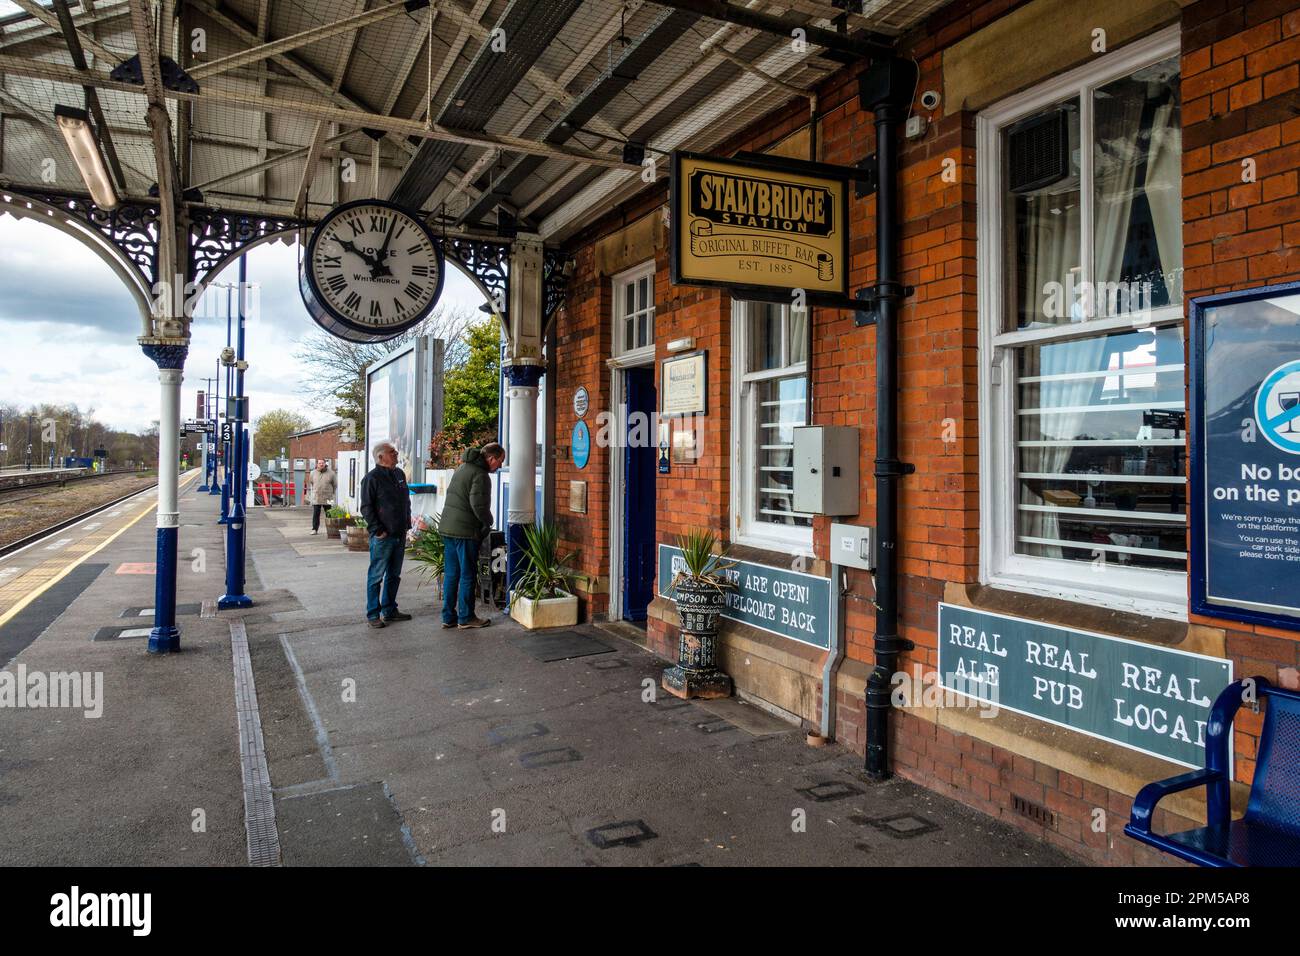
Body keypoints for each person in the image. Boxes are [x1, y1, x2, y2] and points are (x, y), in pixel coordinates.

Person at [438, 442, 504, 629]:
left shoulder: (462, 468)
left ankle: (448, 616)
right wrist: (488, 521)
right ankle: (466, 617)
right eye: (499, 461)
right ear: (491, 458)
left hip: (448, 529)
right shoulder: (480, 475)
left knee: (451, 574)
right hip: (465, 531)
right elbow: (479, 505)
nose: (499, 466)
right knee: (468, 574)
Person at [359, 441, 412, 629]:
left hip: (399, 533)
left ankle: (389, 610)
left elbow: (406, 500)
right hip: (383, 536)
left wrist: (407, 523)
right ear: (381, 457)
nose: (396, 454)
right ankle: (373, 613)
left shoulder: (399, 474)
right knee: (376, 575)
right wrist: (378, 530)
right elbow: (366, 507)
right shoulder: (371, 478)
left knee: (394, 575)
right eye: (392, 452)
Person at [307, 460, 335, 534]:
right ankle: (314, 529)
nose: (321, 464)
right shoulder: (312, 473)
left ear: (325, 463)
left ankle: (331, 529)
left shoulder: (331, 473)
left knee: (329, 513)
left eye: (322, 463)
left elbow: (335, 484)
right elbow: (312, 483)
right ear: (317, 464)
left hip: (328, 497)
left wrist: (332, 493)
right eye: (319, 463)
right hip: (317, 496)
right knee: (316, 514)